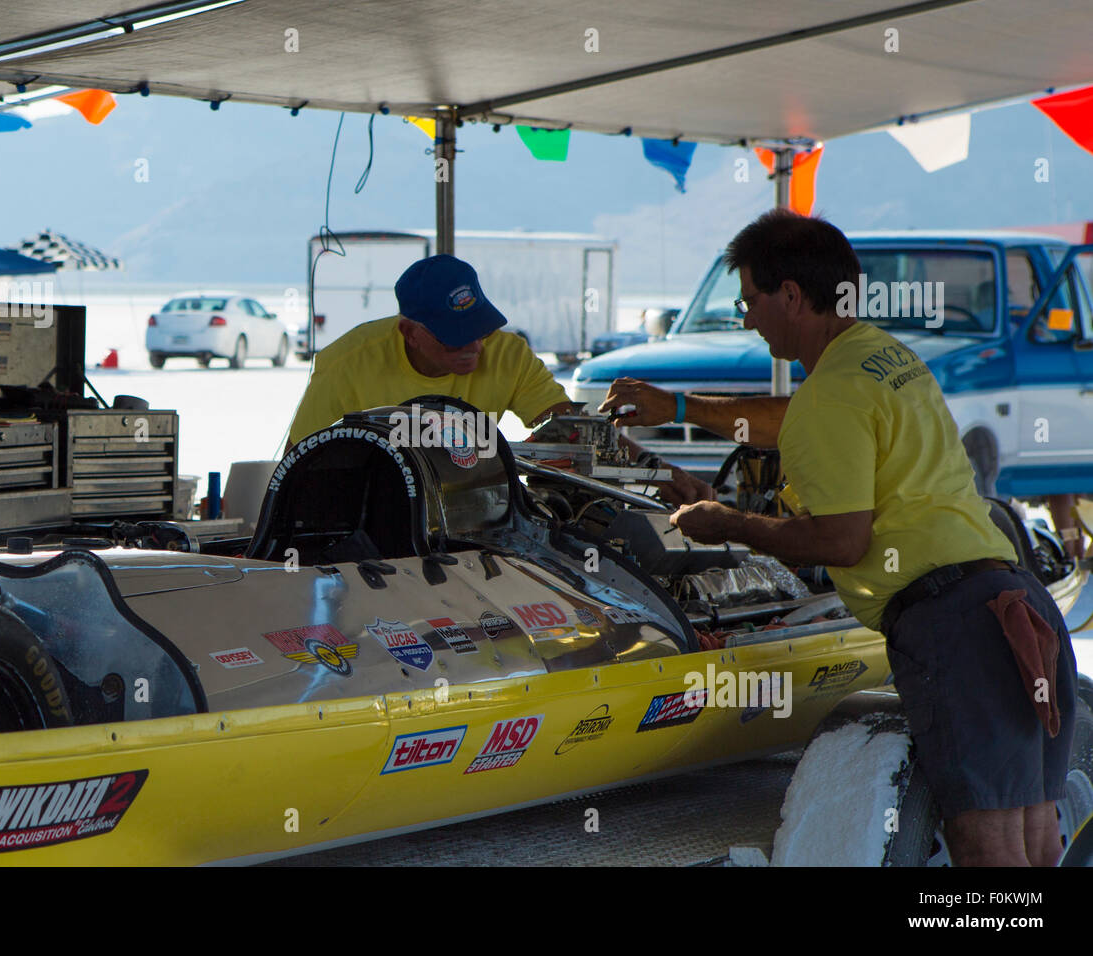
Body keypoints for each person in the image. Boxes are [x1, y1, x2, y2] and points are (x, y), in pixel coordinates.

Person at [600, 209, 1079, 867]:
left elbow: (842, 541)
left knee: (986, 849)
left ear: (791, 295)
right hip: (1014, 603)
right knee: (1032, 839)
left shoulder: (834, 392)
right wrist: (678, 407)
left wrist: (725, 521)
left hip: (956, 629)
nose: (745, 319)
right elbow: (793, 419)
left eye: (751, 301)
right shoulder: (879, 354)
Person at [287, 253, 712, 504]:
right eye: (454, 340)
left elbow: (576, 432)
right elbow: (297, 465)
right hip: (375, 510)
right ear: (409, 332)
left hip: (473, 515)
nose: (474, 348)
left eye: (481, 330)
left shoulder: (507, 353)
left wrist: (657, 470)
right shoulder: (346, 363)